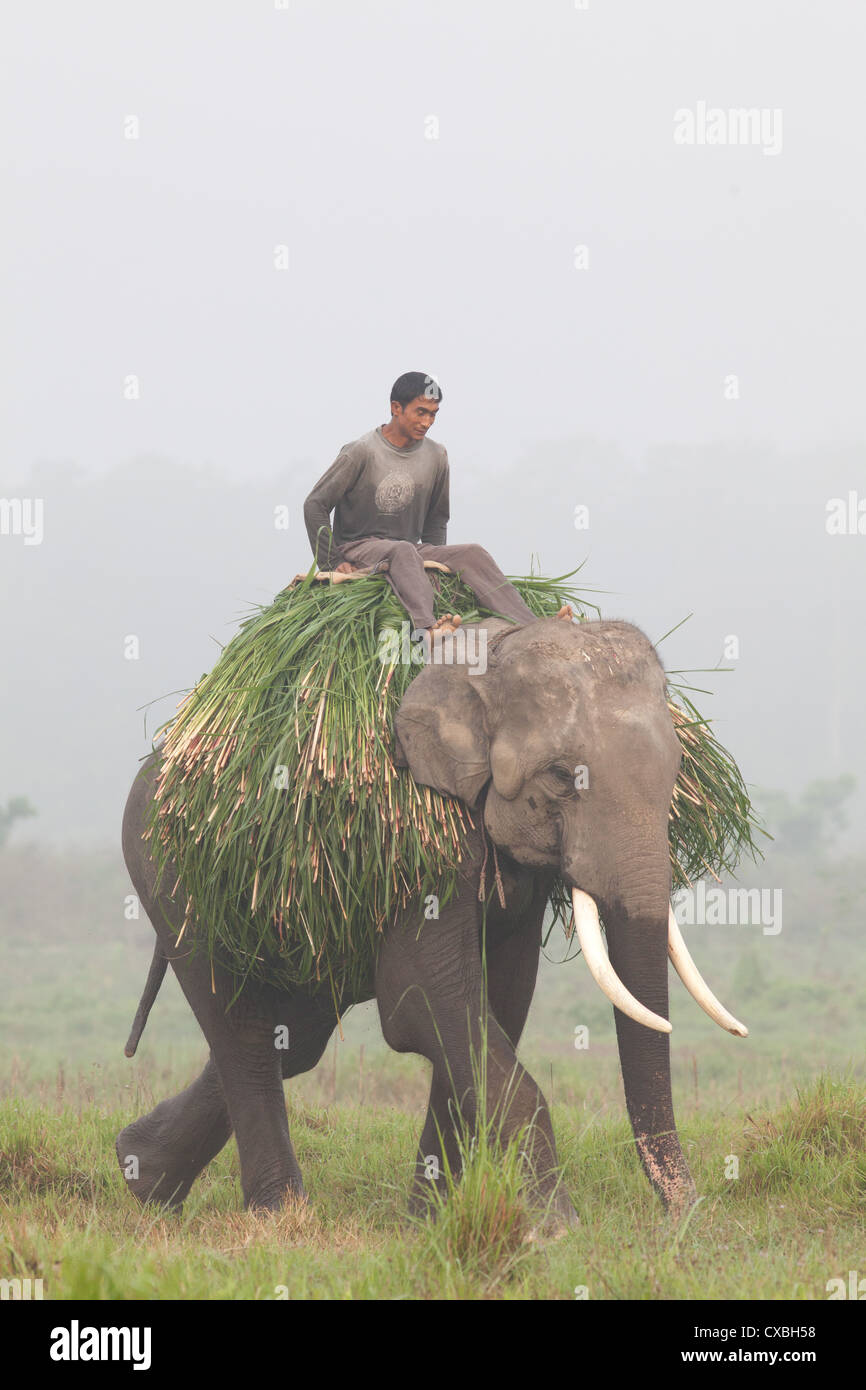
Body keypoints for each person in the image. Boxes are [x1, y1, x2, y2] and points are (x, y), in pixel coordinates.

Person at [303, 371, 572, 649]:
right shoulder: (361, 451)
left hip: (407, 550)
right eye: (420, 412)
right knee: (402, 551)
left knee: (472, 552)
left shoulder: (436, 456)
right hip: (358, 548)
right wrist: (333, 562)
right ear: (396, 408)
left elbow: (437, 519)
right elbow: (315, 505)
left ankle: (534, 627)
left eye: (433, 414)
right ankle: (426, 629)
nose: (427, 422)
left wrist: (435, 568)